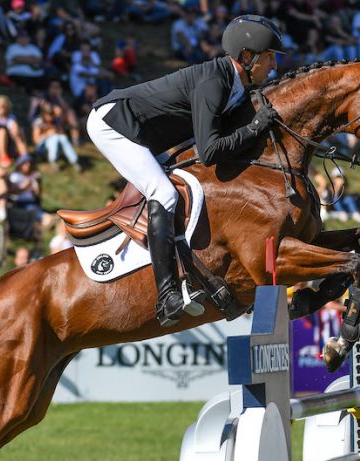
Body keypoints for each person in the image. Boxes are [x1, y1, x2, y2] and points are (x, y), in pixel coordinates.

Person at [87, 15, 280, 327]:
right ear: (247, 57)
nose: (274, 65)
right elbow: (210, 151)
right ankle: (166, 296)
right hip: (115, 124)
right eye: (269, 57)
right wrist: (255, 128)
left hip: (147, 133)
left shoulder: (236, 87)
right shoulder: (215, 82)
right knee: (162, 192)